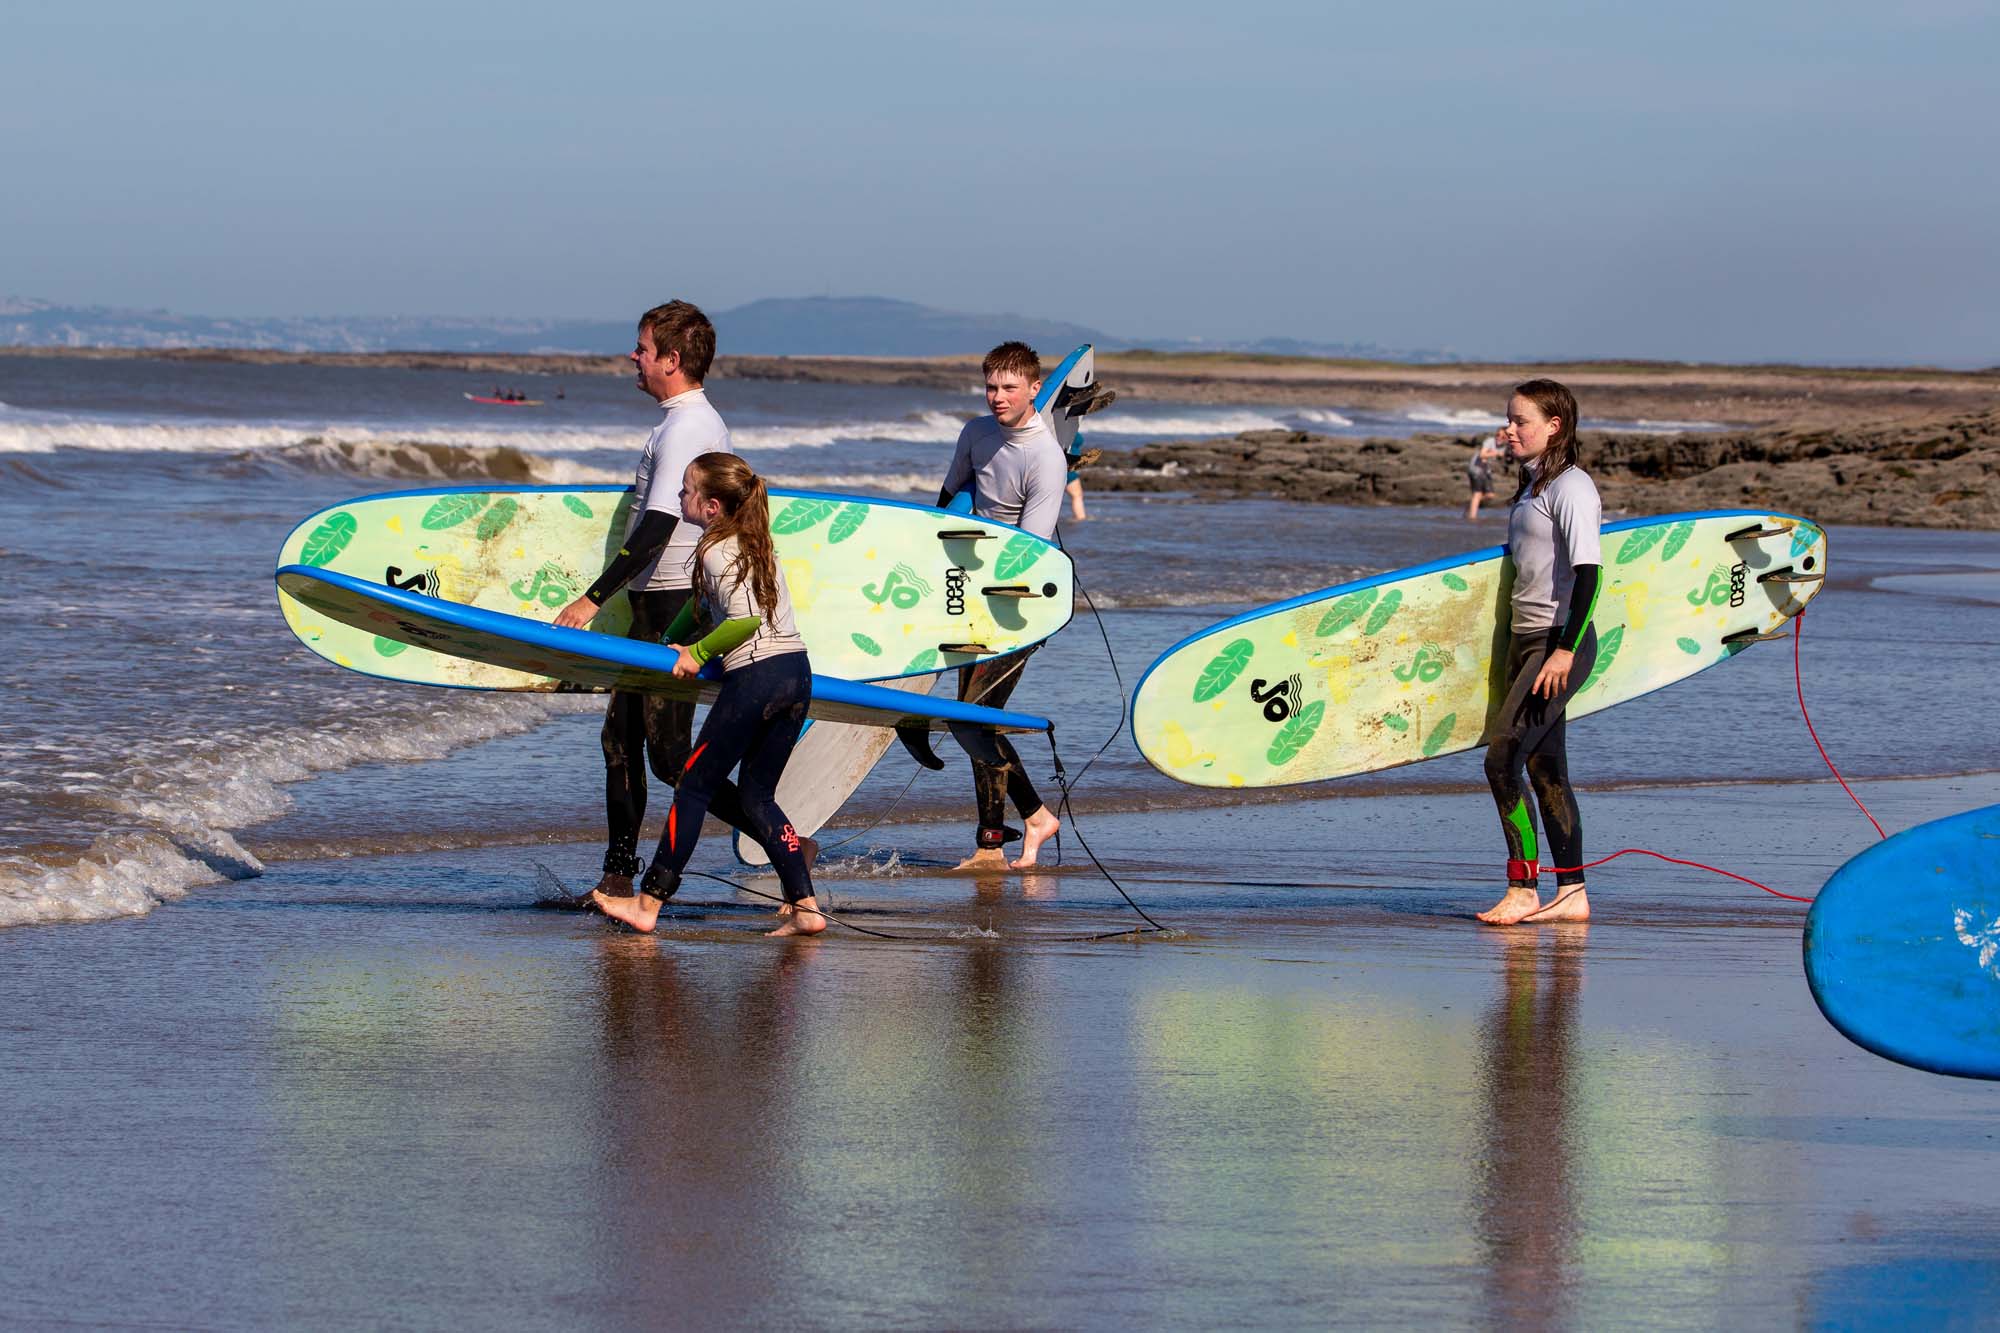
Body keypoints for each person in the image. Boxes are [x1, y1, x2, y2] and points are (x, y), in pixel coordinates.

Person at [553, 301, 765, 902]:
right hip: (654, 605)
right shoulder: (677, 423)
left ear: (672, 359)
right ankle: (617, 873)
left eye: (643, 348)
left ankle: (785, 840)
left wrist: (592, 600)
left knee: (671, 756)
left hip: (677, 605)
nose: (634, 356)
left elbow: (656, 528)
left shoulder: (689, 427)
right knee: (621, 742)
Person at [593, 453, 825, 937]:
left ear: (712, 505)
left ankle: (649, 902)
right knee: (758, 796)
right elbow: (702, 608)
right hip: (796, 674)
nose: (680, 498)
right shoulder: (754, 544)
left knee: (694, 785)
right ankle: (806, 908)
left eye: (686, 490)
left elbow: (744, 621)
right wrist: (667, 647)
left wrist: (696, 654)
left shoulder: (715, 551)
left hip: (757, 678)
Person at [937, 341, 1068, 869]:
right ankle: (992, 843)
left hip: (1024, 601)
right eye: (990, 386)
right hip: (973, 590)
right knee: (971, 717)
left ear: (1034, 388)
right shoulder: (975, 433)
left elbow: (1029, 554)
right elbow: (944, 506)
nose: (997, 397)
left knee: (972, 718)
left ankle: (1035, 816)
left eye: (1009, 387)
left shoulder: (1046, 457)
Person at [1476, 379, 1601, 926]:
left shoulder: (1571, 488)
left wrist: (1565, 652)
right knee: (1547, 770)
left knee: (1502, 761)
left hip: (1555, 643)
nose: (1509, 429)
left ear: (1553, 427)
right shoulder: (1532, 488)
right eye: (1508, 419)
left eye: (1520, 421)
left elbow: (1591, 577)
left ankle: (1523, 887)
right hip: (1527, 641)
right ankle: (1572, 894)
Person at [1465, 433, 1501, 519]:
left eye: (1503, 436)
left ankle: (1472, 505)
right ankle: (1472, 518)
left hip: (1486, 471)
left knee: (1490, 495)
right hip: (1477, 469)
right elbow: (1482, 455)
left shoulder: (1505, 445)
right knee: (1477, 494)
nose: (1500, 437)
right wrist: (1496, 453)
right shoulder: (1490, 441)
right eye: (1498, 435)